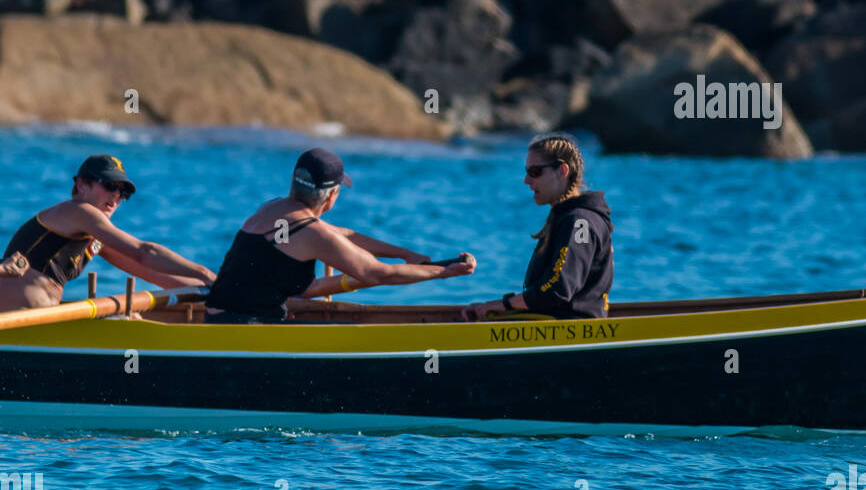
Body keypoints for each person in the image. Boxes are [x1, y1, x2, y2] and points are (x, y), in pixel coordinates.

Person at [204, 148, 476, 323]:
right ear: (332, 195)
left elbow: (344, 235)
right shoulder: (312, 233)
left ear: (293, 183)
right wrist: (443, 273)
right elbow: (378, 274)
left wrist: (405, 255)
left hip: (219, 320)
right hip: (245, 329)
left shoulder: (271, 208)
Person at [0, 154, 215, 313]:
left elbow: (148, 271)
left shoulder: (95, 241)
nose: (116, 196)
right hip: (14, 326)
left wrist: (212, 292)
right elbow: (144, 252)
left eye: (123, 192)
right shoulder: (78, 211)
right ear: (82, 185)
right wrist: (205, 274)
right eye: (110, 185)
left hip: (35, 321)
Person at [461, 133, 613, 322]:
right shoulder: (566, 218)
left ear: (562, 171)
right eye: (526, 172)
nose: (526, 180)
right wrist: (496, 306)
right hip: (551, 319)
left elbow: (558, 290)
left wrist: (504, 305)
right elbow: (547, 293)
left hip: (570, 325)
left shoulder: (580, 222)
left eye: (535, 172)